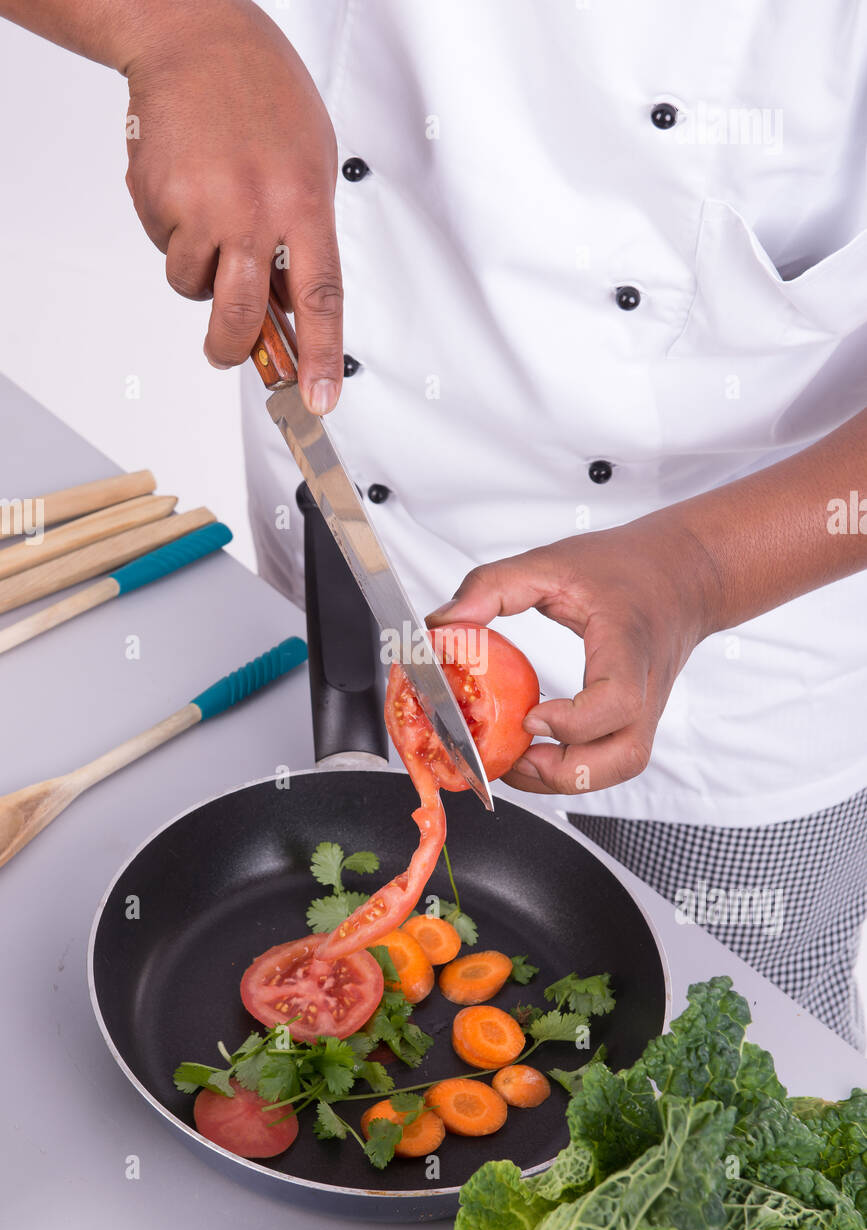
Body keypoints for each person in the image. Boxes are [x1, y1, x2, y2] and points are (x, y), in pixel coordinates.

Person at [4, 0, 867, 1047]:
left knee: (749, 1087)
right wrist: (178, 30)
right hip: (354, 542)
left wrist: (701, 568)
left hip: (751, 642)